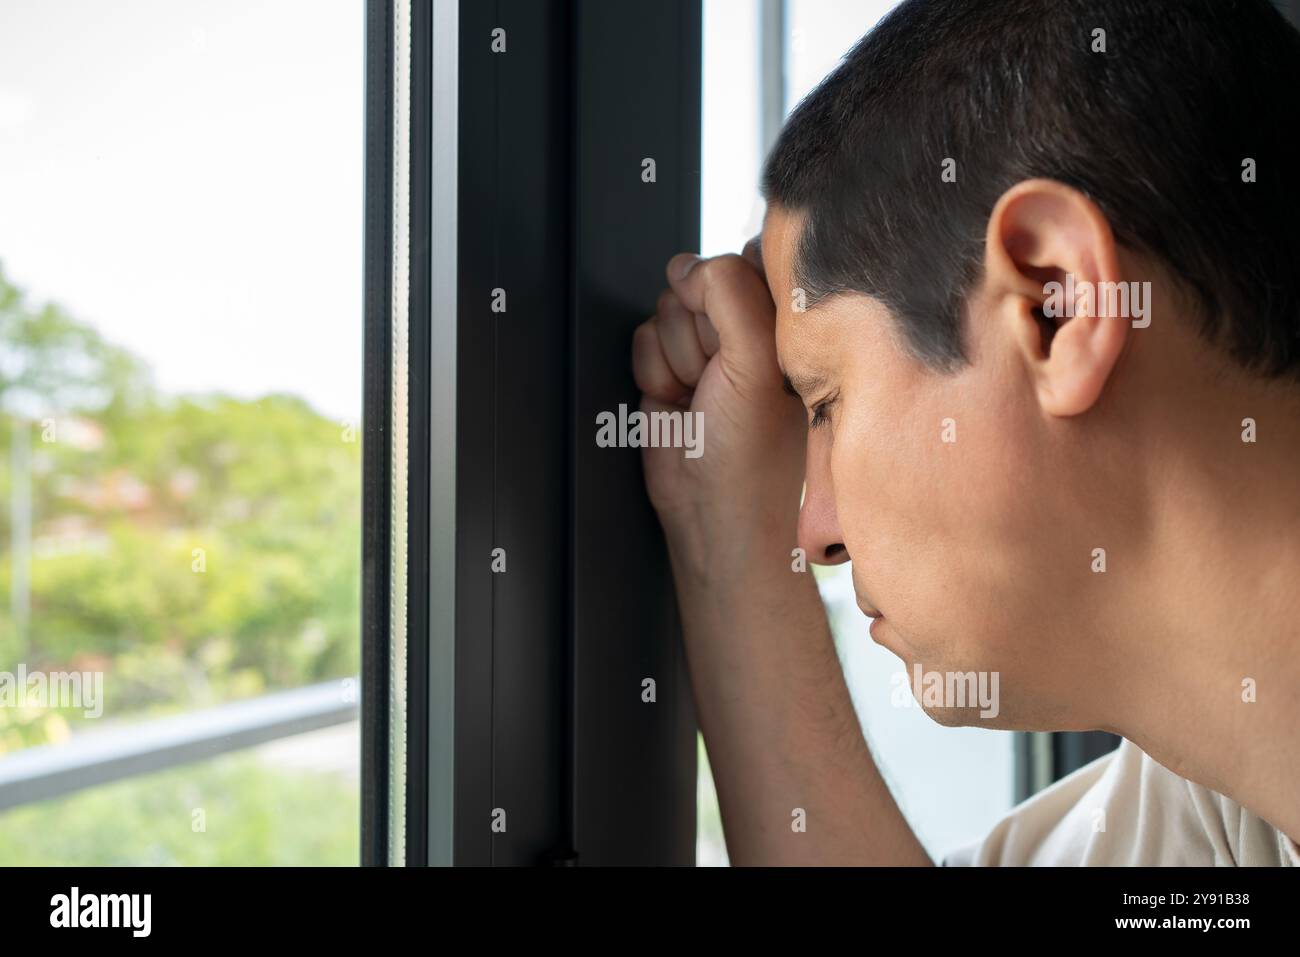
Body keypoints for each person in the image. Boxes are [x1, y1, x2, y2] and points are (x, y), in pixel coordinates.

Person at [632, 0, 1300, 865]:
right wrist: (724, 526)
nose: (817, 534)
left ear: (1057, 303)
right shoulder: (1229, 816)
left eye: (827, 401)